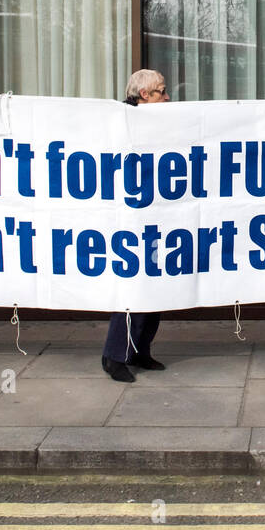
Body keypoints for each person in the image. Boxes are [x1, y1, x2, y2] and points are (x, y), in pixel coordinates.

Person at [101, 69, 170, 383]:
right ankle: (114, 356)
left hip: (154, 216)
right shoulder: (124, 122)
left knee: (153, 287)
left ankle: (141, 349)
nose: (167, 97)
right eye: (162, 92)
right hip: (131, 220)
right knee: (132, 287)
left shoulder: (157, 124)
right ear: (145, 96)